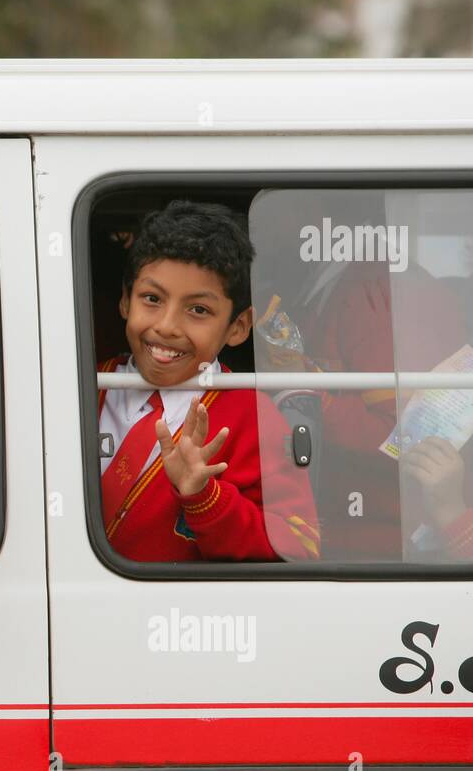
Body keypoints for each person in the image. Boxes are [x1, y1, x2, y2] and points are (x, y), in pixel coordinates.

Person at [97, 200, 319, 561]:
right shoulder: (84, 387)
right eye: (151, 299)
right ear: (125, 300)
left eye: (198, 310)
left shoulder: (250, 413)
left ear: (237, 327)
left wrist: (205, 497)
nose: (167, 326)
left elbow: (302, 546)